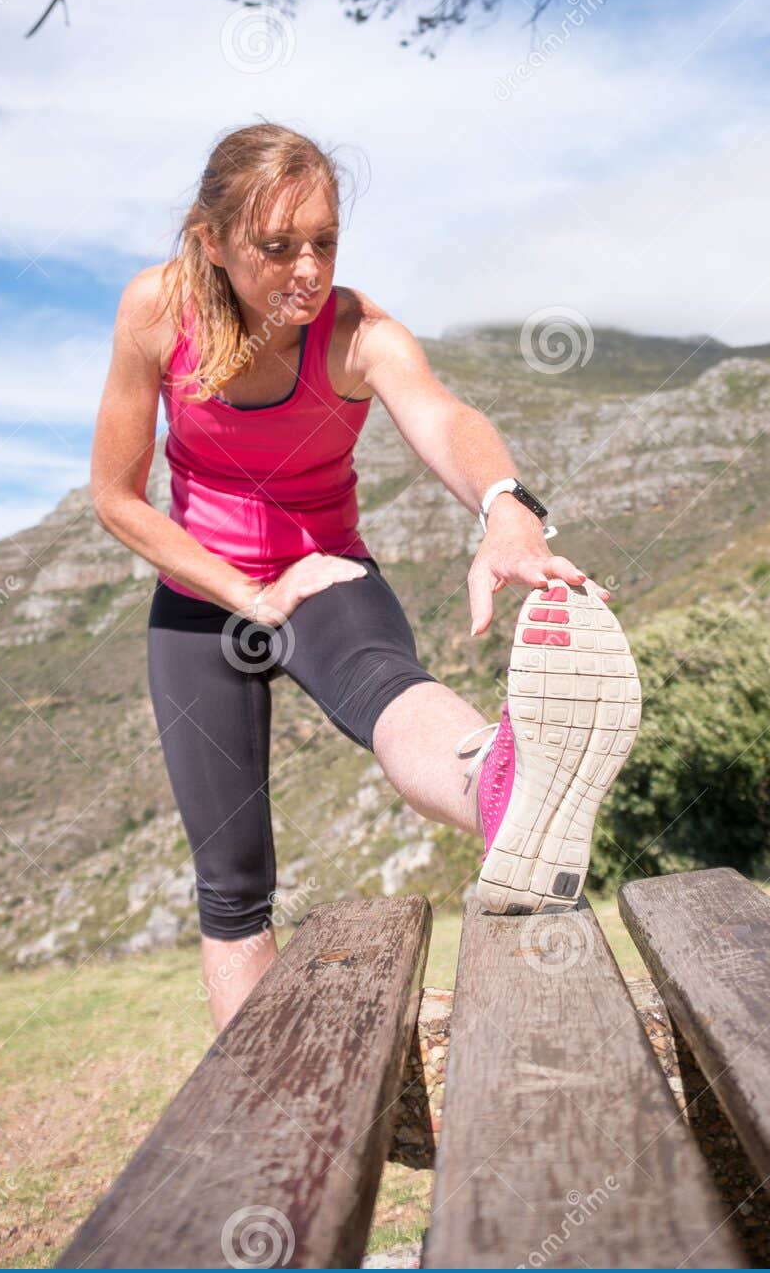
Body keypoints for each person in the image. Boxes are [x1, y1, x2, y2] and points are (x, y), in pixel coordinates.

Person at [90, 122, 640, 1031]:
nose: (306, 270)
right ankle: (253, 1109)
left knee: (391, 691)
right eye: (276, 247)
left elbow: (443, 416)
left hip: (326, 573)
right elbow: (117, 498)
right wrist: (248, 595)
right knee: (230, 886)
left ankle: (504, 783)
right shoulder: (157, 311)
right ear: (214, 243)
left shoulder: (355, 334)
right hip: (200, 602)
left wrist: (505, 506)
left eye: (325, 242)